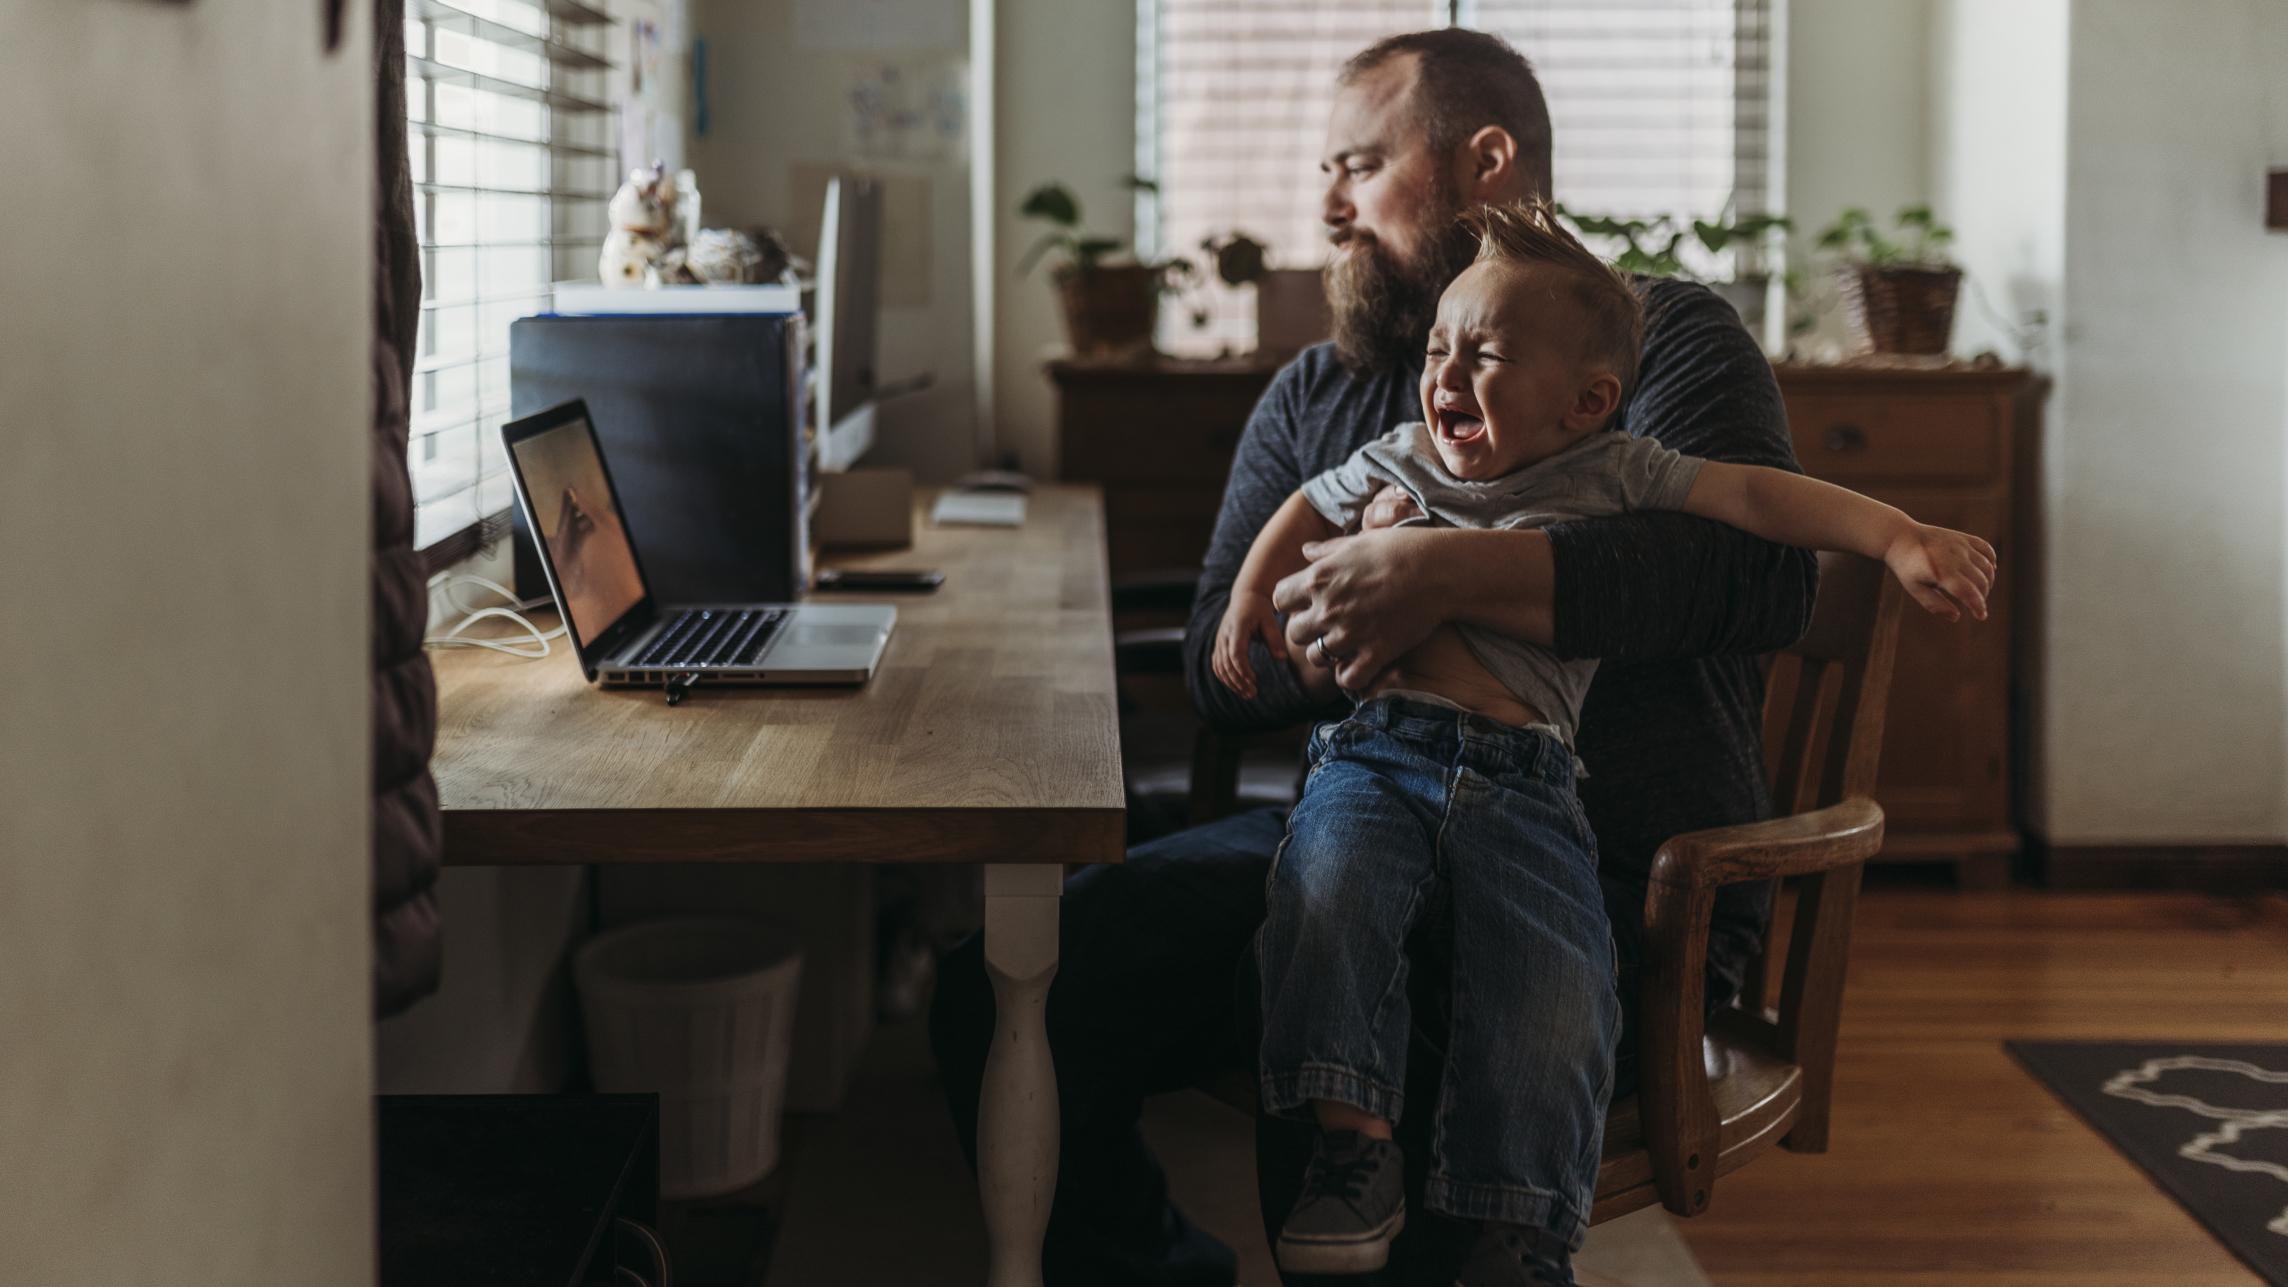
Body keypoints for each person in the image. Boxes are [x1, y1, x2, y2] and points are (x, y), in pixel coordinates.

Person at [931, 28, 1821, 1287]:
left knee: (1384, 1006)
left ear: (1486, 165)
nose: (1327, 206)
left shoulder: (1653, 345)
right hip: (1360, 826)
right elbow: (1213, 667)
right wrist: (1356, 611)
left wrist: (1446, 575)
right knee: (1007, 985)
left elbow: (1759, 574)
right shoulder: (1315, 396)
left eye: (1357, 165)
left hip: (1617, 873)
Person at [1217, 200, 1991, 1283]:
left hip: (1526, 779)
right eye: (1438, 350)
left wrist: (1896, 532)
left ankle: (1520, 1227)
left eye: (1483, 355)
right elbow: (1303, 505)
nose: (1443, 375)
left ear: (1586, 402)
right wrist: (1252, 600)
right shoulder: (1399, 460)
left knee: (1557, 980)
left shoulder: (1612, 473)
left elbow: (1758, 503)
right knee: (1325, 894)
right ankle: (1353, 1151)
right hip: (1376, 754)